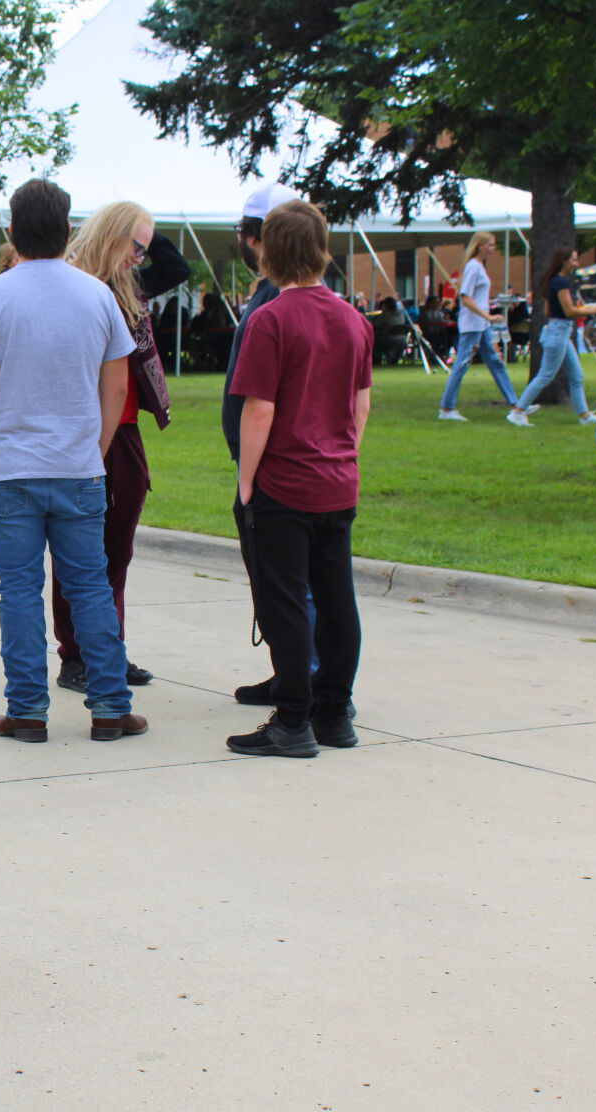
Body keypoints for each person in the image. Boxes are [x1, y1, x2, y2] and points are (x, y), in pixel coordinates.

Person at [0, 178, 146, 743]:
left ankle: (28, 711)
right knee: (90, 587)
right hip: (79, 467)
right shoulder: (97, 296)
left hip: (9, 471)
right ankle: (110, 707)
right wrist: (98, 448)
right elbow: (116, 386)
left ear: (13, 232)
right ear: (66, 233)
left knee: (18, 591)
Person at [226, 199, 372, 758]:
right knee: (338, 600)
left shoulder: (270, 320)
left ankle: (292, 719)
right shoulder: (353, 319)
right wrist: (344, 453)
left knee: (284, 602)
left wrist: (247, 484)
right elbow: (361, 405)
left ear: (271, 252)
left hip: (286, 482)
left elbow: (258, 409)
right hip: (338, 478)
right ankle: (334, 712)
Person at [52, 201, 188, 694]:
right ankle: (76, 656)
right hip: (78, 429)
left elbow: (177, 268)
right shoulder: (72, 283)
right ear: (112, 236)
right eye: (135, 246)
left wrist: (147, 229)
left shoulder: (129, 287)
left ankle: (107, 649)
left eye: (144, 249)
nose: (140, 258)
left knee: (117, 549)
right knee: (76, 549)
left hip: (124, 431)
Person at [507, 248, 596, 426]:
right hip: (559, 333)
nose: (576, 264)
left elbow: (549, 310)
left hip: (559, 332)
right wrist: (595, 309)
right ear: (564, 261)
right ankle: (518, 411)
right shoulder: (560, 283)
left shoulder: (553, 282)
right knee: (545, 376)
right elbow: (569, 311)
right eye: (574, 260)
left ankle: (584, 416)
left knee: (576, 376)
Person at [437, 231, 516, 420]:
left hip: (481, 325)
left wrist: (486, 318)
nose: (492, 248)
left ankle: (515, 404)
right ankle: (447, 409)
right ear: (479, 245)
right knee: (462, 365)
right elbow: (465, 297)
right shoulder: (474, 267)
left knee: (495, 362)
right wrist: (487, 315)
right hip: (473, 325)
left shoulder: (478, 266)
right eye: (489, 244)